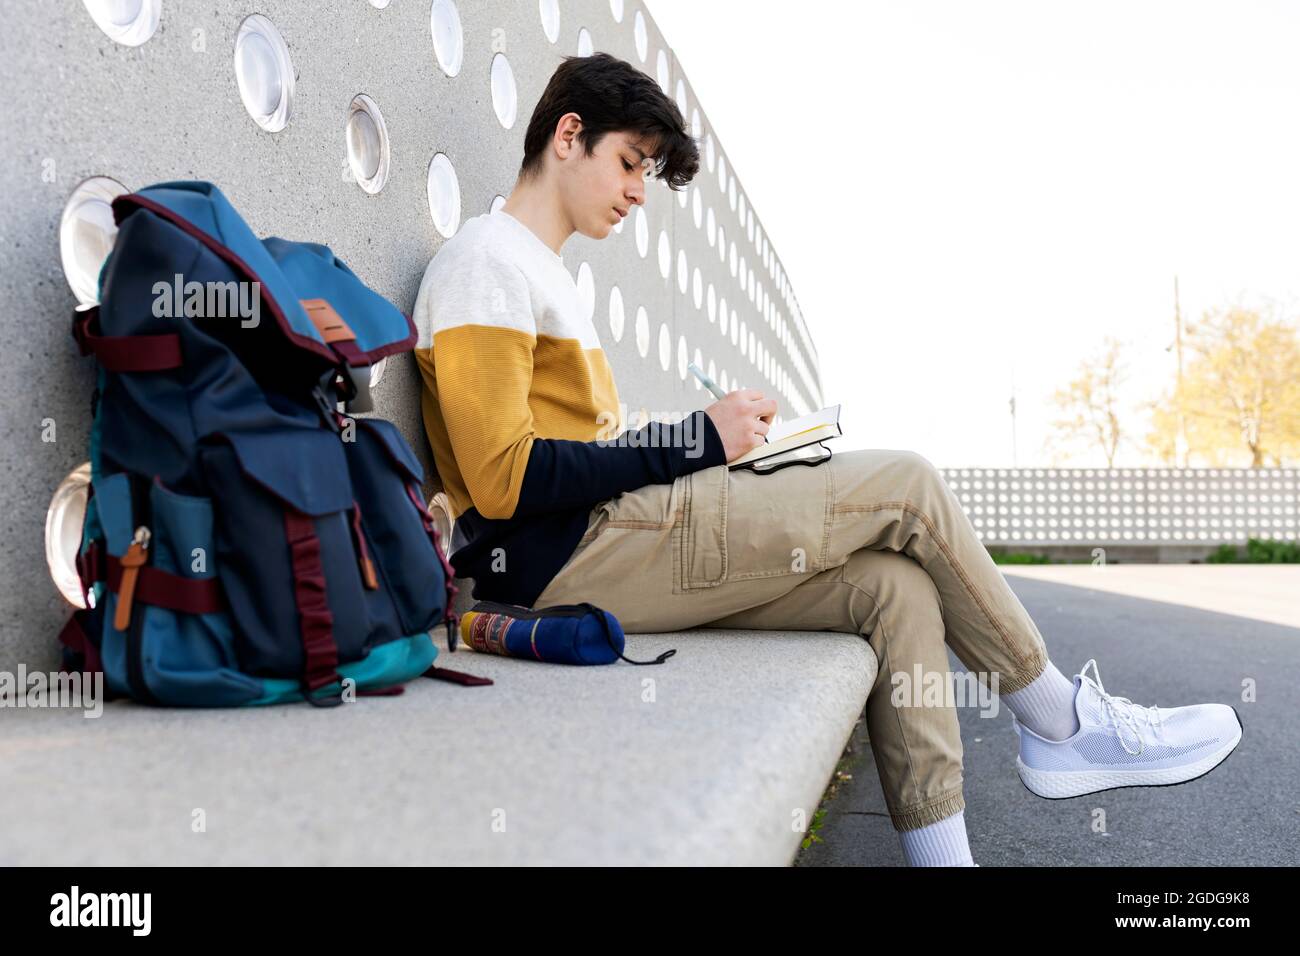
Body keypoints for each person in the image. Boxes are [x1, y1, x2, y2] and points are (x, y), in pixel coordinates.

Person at [412, 53, 1243, 866]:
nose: (637, 191)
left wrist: (718, 448)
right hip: (564, 560)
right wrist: (697, 440)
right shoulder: (487, 262)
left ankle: (944, 856)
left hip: (608, 542)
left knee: (897, 588)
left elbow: (577, 455)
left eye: (647, 170)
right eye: (630, 162)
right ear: (568, 135)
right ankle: (1062, 724)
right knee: (909, 486)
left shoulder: (540, 273)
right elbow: (504, 480)